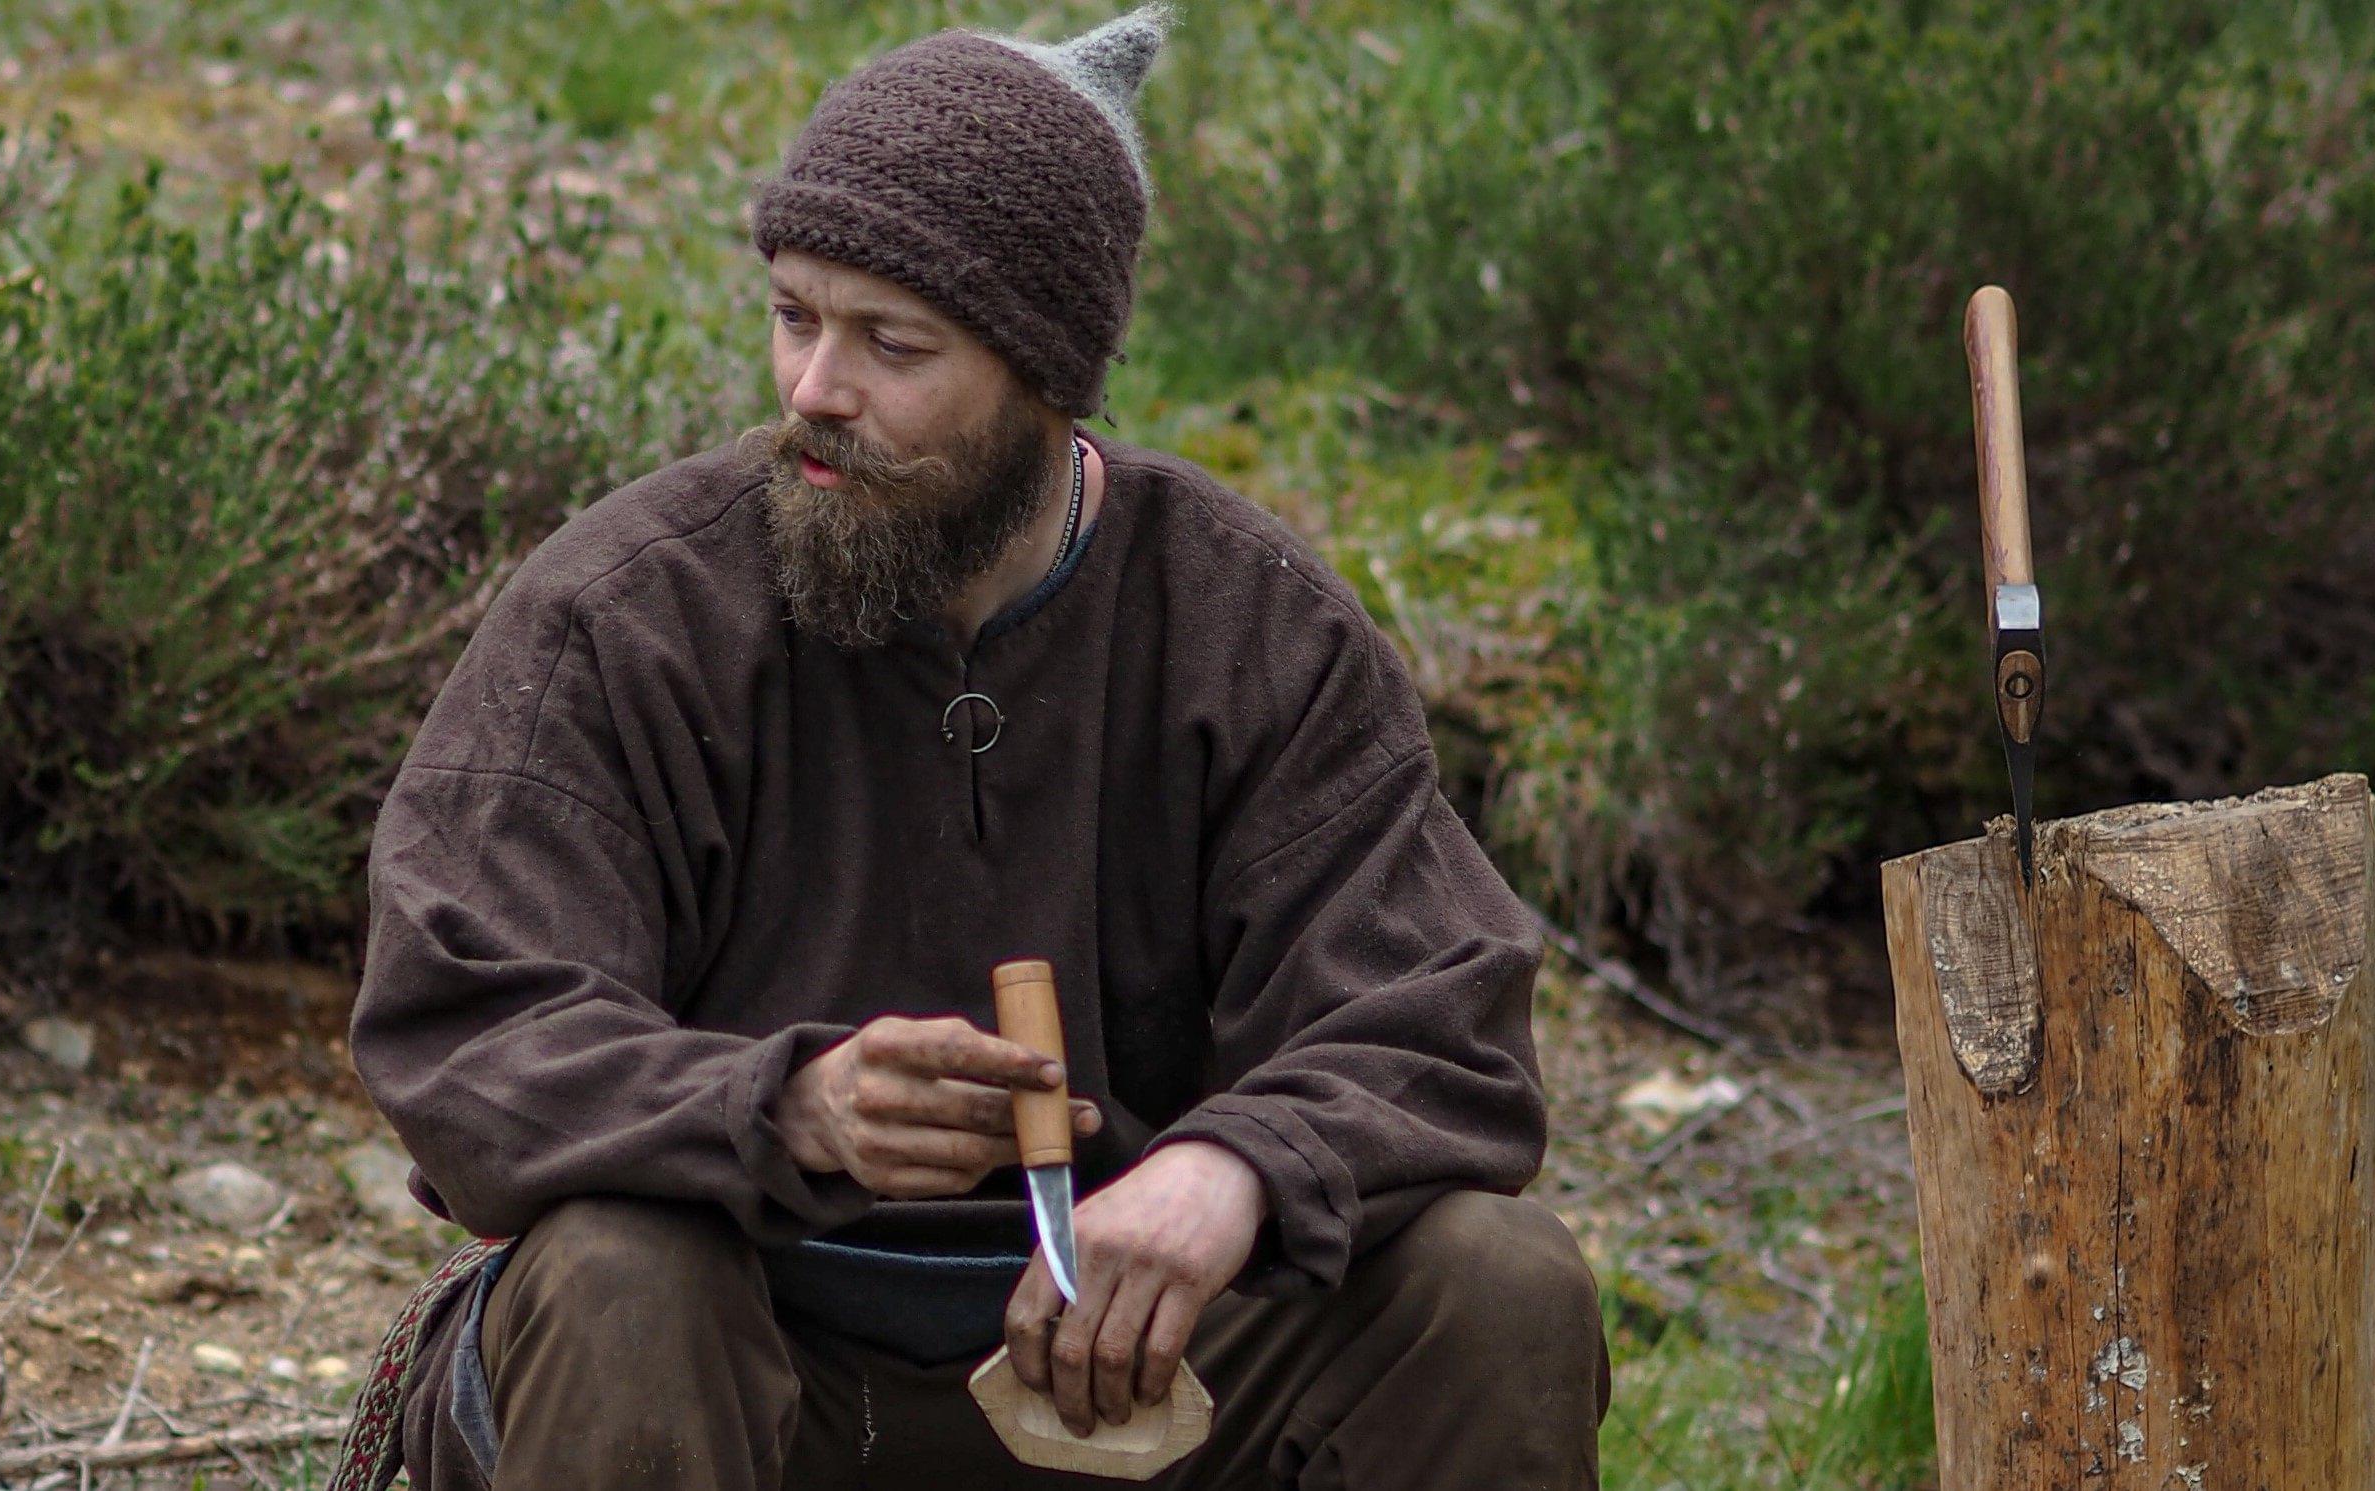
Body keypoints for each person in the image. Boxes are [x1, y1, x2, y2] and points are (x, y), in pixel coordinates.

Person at [345, 6, 1607, 1487]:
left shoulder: (1245, 622)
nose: (816, 388)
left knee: (1493, 1276)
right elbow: (462, 1023)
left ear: (1046, 374)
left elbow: (1447, 1014)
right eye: (794, 312)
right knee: (624, 1268)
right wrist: (780, 1104)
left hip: (1132, 1377)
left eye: (894, 343)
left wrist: (1237, 1167)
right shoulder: (623, 614)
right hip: (744, 1358)